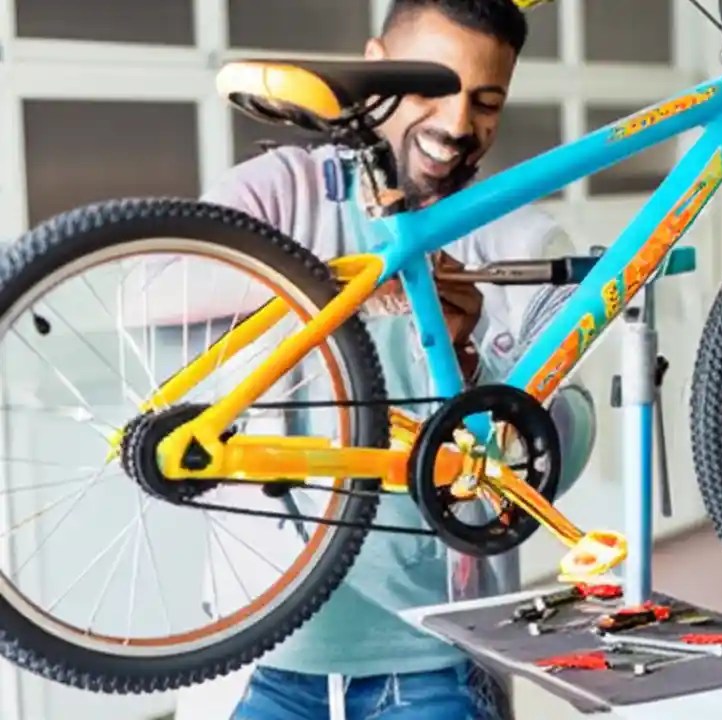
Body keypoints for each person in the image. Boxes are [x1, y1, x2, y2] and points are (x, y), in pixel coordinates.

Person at [173, 1, 598, 719]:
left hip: (436, 659)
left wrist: (469, 361)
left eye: (486, 101)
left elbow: (570, 444)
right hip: (263, 652)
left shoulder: (525, 234)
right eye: (431, 87)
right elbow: (144, 289)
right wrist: (335, 282)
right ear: (376, 67)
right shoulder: (281, 189)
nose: (458, 125)